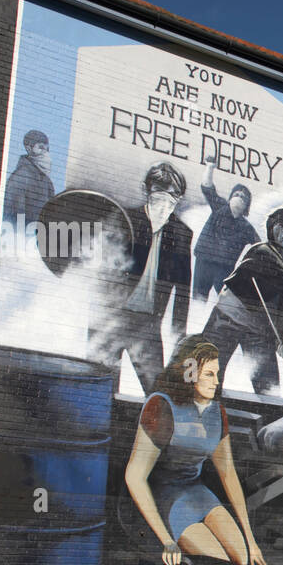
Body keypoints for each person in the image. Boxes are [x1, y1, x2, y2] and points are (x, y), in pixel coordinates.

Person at [117, 335, 268, 565]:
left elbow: (227, 474)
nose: (217, 380)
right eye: (209, 374)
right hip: (164, 495)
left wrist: (251, 539)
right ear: (188, 372)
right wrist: (167, 540)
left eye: (218, 373)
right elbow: (134, 476)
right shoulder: (161, 406)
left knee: (241, 558)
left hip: (195, 490)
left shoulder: (216, 412)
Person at [88, 162, 194, 393]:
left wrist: (179, 336)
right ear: (146, 189)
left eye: (173, 193)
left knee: (157, 396)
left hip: (147, 325)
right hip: (111, 319)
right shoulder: (125, 219)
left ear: (180, 198)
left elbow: (183, 289)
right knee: (99, 390)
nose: (165, 197)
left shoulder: (182, 233)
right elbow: (102, 270)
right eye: (159, 188)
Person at [202, 206, 283, 394]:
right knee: (207, 375)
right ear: (272, 230)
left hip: (259, 329)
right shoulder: (261, 251)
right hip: (227, 318)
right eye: (280, 226)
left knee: (268, 387)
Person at [192, 154, 261, 302]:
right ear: (230, 197)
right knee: (198, 298)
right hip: (204, 260)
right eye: (236, 194)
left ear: (246, 206)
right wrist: (210, 167)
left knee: (226, 302)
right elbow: (207, 187)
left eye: (243, 197)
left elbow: (259, 247)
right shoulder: (219, 207)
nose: (239, 198)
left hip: (225, 267)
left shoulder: (246, 227)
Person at [2, 129, 55, 229]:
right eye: (41, 148)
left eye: (47, 149)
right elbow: (13, 216)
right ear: (29, 148)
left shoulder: (46, 181)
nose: (45, 153)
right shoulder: (20, 177)